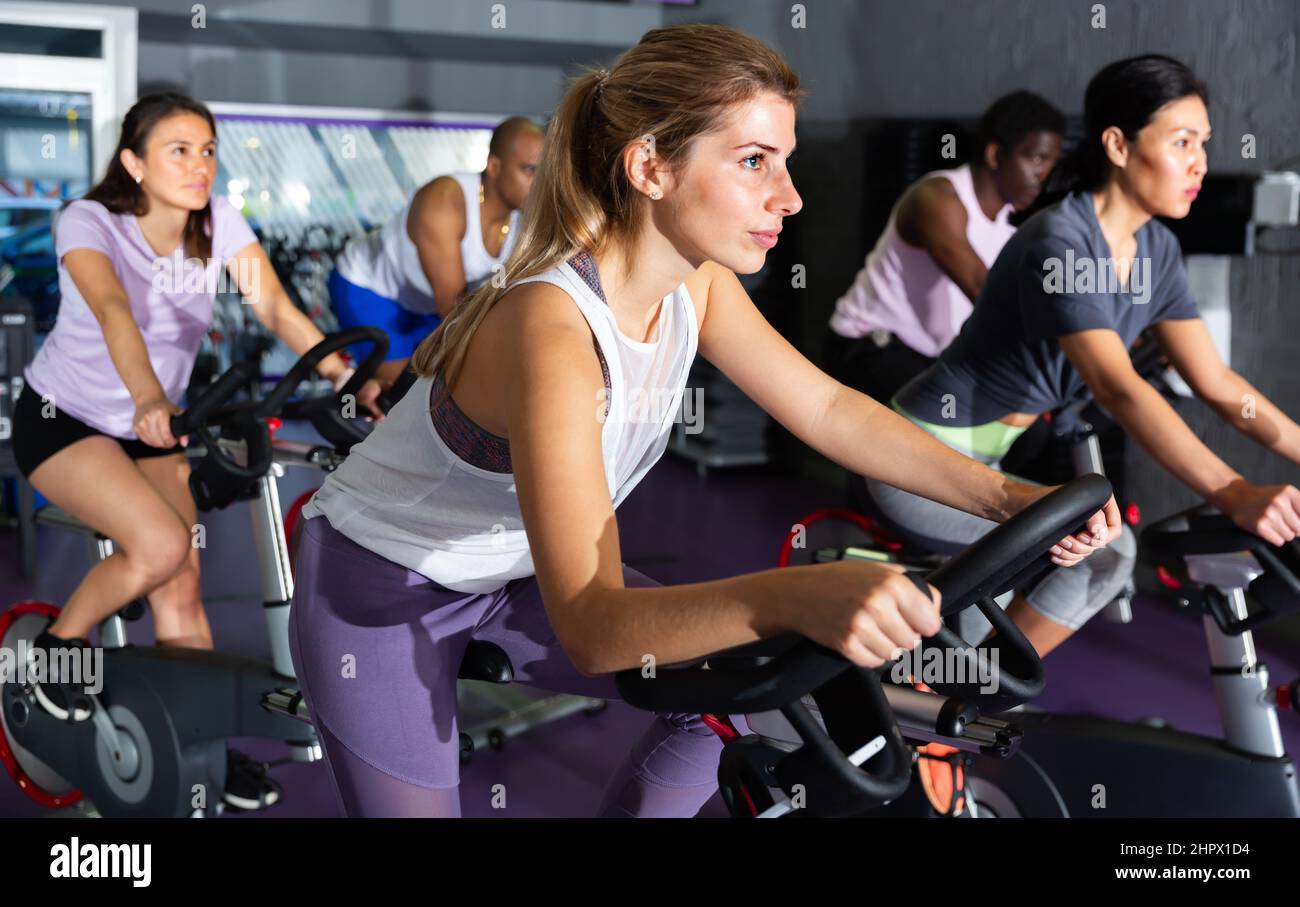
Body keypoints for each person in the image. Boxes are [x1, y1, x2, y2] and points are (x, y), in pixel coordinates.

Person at [288, 23, 1118, 818]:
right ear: (649, 165)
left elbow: (828, 408)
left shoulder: (698, 283)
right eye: (755, 161)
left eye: (784, 162)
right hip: (381, 586)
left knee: (751, 689)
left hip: (510, 567)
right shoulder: (552, 331)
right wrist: (801, 595)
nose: (788, 196)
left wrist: (1005, 496)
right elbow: (593, 624)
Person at [12, 92, 382, 810]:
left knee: (181, 578)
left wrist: (345, 377)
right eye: (179, 150)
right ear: (134, 163)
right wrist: (149, 398)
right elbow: (113, 309)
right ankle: (54, 652)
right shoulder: (89, 222)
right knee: (159, 544)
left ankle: (199, 743)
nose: (200, 164)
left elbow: (274, 307)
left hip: (159, 426)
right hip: (65, 420)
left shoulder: (217, 224)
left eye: (208, 149)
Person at [872, 55, 1300, 654]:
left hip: (983, 467)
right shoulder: (1060, 243)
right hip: (914, 459)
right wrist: (1236, 492)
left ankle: (957, 696)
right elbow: (1119, 388)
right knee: (1106, 551)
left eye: (1203, 142)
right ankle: (963, 700)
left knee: (1084, 559)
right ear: (1118, 145)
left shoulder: (1157, 250)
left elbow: (1219, 383)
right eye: (1181, 141)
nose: (1200, 161)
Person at [826, 91, 1064, 404]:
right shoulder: (938, 199)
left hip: (929, 356)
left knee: (1029, 426)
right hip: (871, 346)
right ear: (995, 155)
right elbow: (987, 292)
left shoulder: (1013, 224)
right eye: (1036, 158)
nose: (1044, 174)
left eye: (1051, 163)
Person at [329, 117, 544, 388]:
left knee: (442, 386)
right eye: (529, 170)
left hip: (426, 305)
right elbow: (454, 310)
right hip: (369, 288)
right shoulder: (445, 201)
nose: (538, 183)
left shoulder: (525, 222)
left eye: (543, 173)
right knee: (404, 390)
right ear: (494, 166)